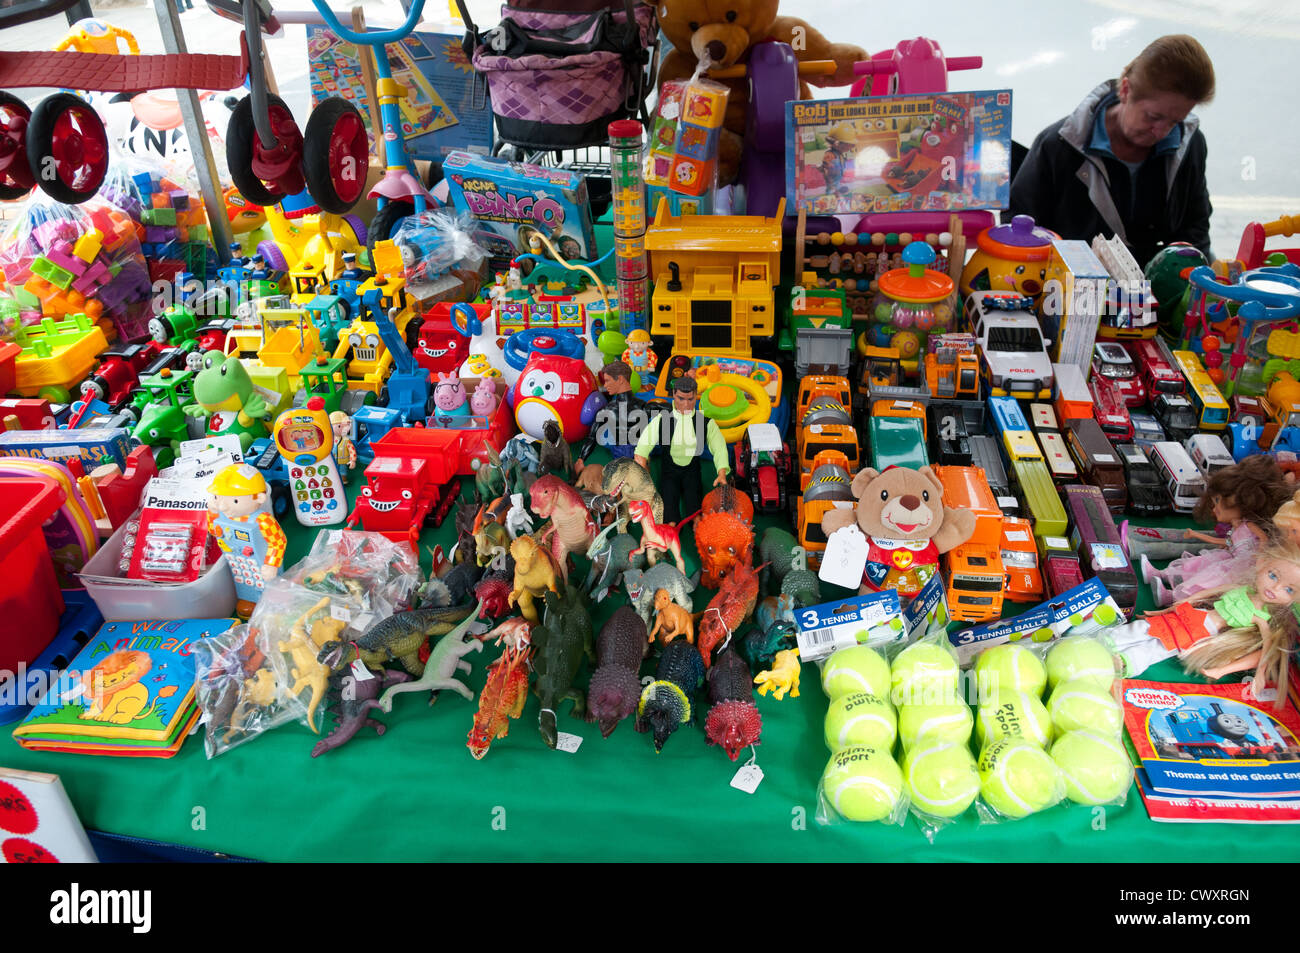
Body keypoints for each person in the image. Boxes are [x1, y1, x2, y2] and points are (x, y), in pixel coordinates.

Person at [1008, 35, 1215, 266]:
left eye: (1176, 120)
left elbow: (1195, 228)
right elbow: (1020, 228)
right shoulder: (1058, 146)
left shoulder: (1190, 143)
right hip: (1070, 289)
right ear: (1125, 90)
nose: (1162, 132)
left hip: (1158, 290)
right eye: (1154, 117)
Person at [633, 374, 730, 523]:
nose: (685, 405)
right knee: (669, 511)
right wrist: (642, 466)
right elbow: (643, 446)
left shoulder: (705, 423)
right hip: (669, 473)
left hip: (692, 472)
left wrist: (722, 471)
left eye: (690, 399)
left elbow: (719, 447)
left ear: (696, 397)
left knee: (696, 512)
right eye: (681, 399)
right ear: (674, 395)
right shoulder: (662, 420)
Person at [573, 361, 649, 468]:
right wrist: (581, 459)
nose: (605, 385)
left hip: (639, 459)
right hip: (620, 460)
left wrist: (581, 458)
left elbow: (592, 437)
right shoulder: (607, 410)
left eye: (608, 380)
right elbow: (592, 437)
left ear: (621, 379)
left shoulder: (642, 407)